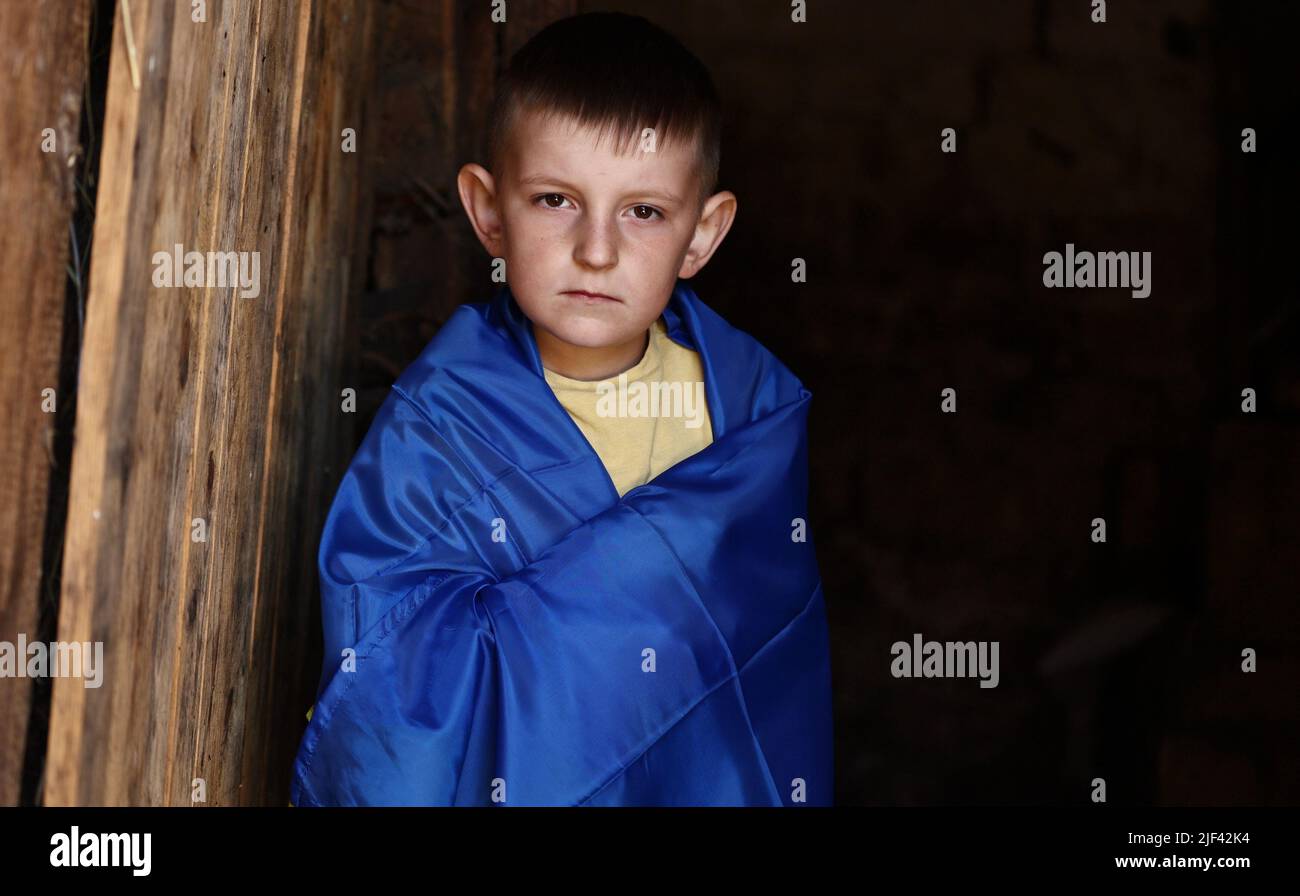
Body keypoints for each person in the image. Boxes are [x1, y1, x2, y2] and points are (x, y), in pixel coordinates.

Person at [290, 11, 833, 807]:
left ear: (702, 235)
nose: (598, 249)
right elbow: (386, 673)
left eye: (643, 211)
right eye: (555, 200)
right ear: (486, 212)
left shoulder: (748, 412)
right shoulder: (441, 425)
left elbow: (765, 671)